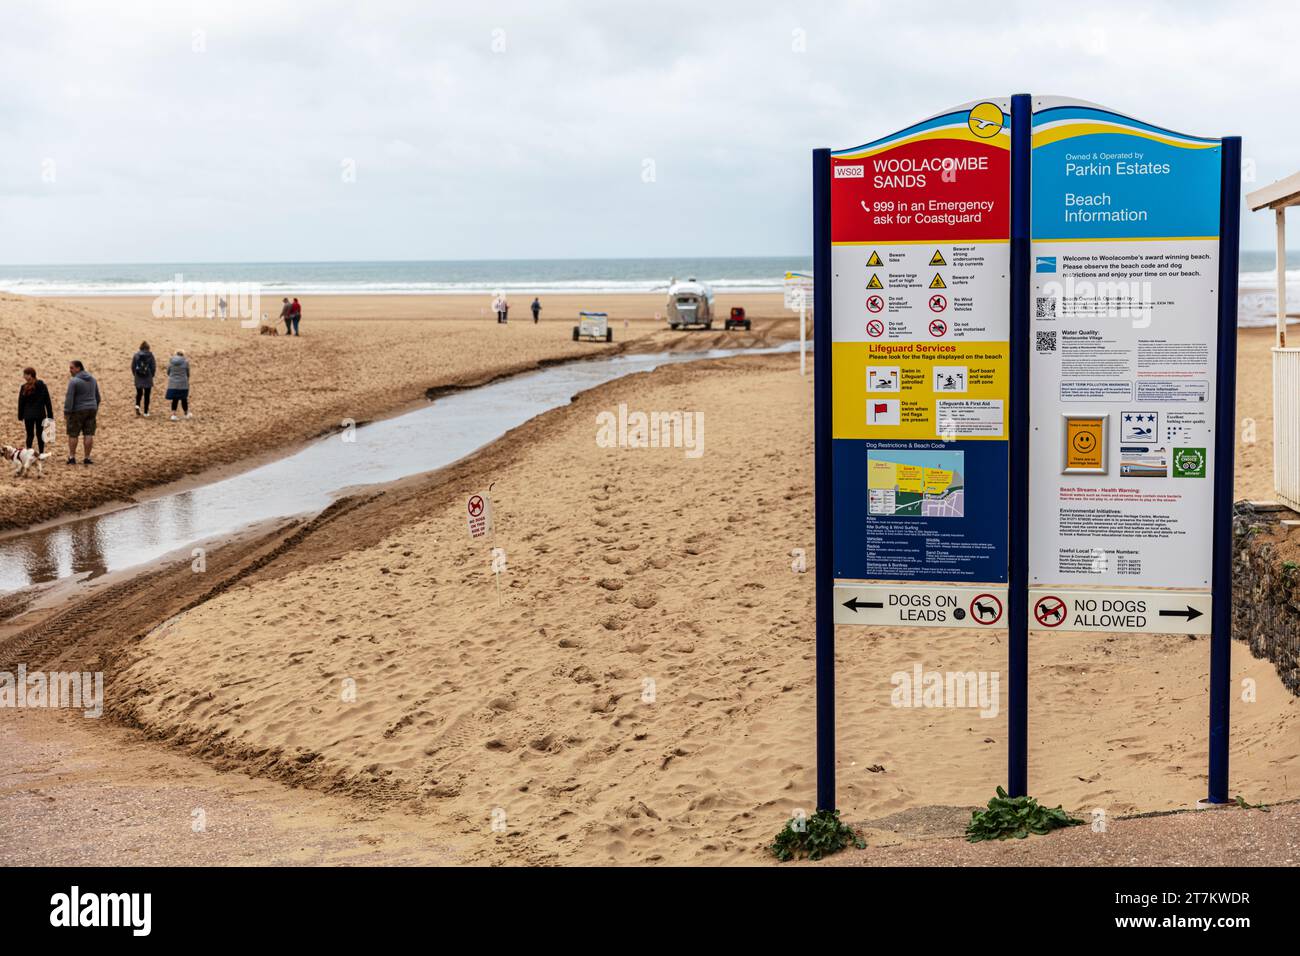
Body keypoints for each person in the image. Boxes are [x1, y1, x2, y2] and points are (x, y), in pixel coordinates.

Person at [64, 360, 101, 465]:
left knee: (73, 434)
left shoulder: (74, 381)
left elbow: (69, 398)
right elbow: (98, 397)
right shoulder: (93, 379)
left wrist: (67, 412)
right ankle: (87, 458)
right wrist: (94, 407)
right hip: (92, 409)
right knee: (88, 434)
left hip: (78, 410)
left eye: (72, 368)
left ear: (78, 368)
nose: (70, 370)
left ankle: (72, 457)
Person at [17, 367, 53, 457]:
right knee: (40, 434)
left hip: (28, 415)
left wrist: (20, 415)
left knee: (30, 434)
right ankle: (41, 452)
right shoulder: (42, 386)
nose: (24, 376)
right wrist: (50, 415)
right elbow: (47, 401)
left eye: (25, 374)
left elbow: (21, 403)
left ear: (30, 375)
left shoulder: (24, 387)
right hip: (40, 414)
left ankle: (29, 452)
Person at [131, 341, 156, 417]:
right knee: (147, 395)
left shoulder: (136, 355)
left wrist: (135, 375)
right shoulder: (151, 355)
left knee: (139, 393)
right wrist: (152, 375)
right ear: (148, 348)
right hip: (148, 377)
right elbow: (153, 367)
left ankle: (137, 405)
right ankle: (146, 412)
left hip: (138, 377)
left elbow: (133, 366)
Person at [166, 350, 192, 420]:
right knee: (184, 399)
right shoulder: (186, 362)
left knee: (175, 399)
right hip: (183, 383)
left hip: (173, 383)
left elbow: (168, 372)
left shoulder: (171, 362)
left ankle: (173, 415)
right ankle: (186, 413)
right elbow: (188, 373)